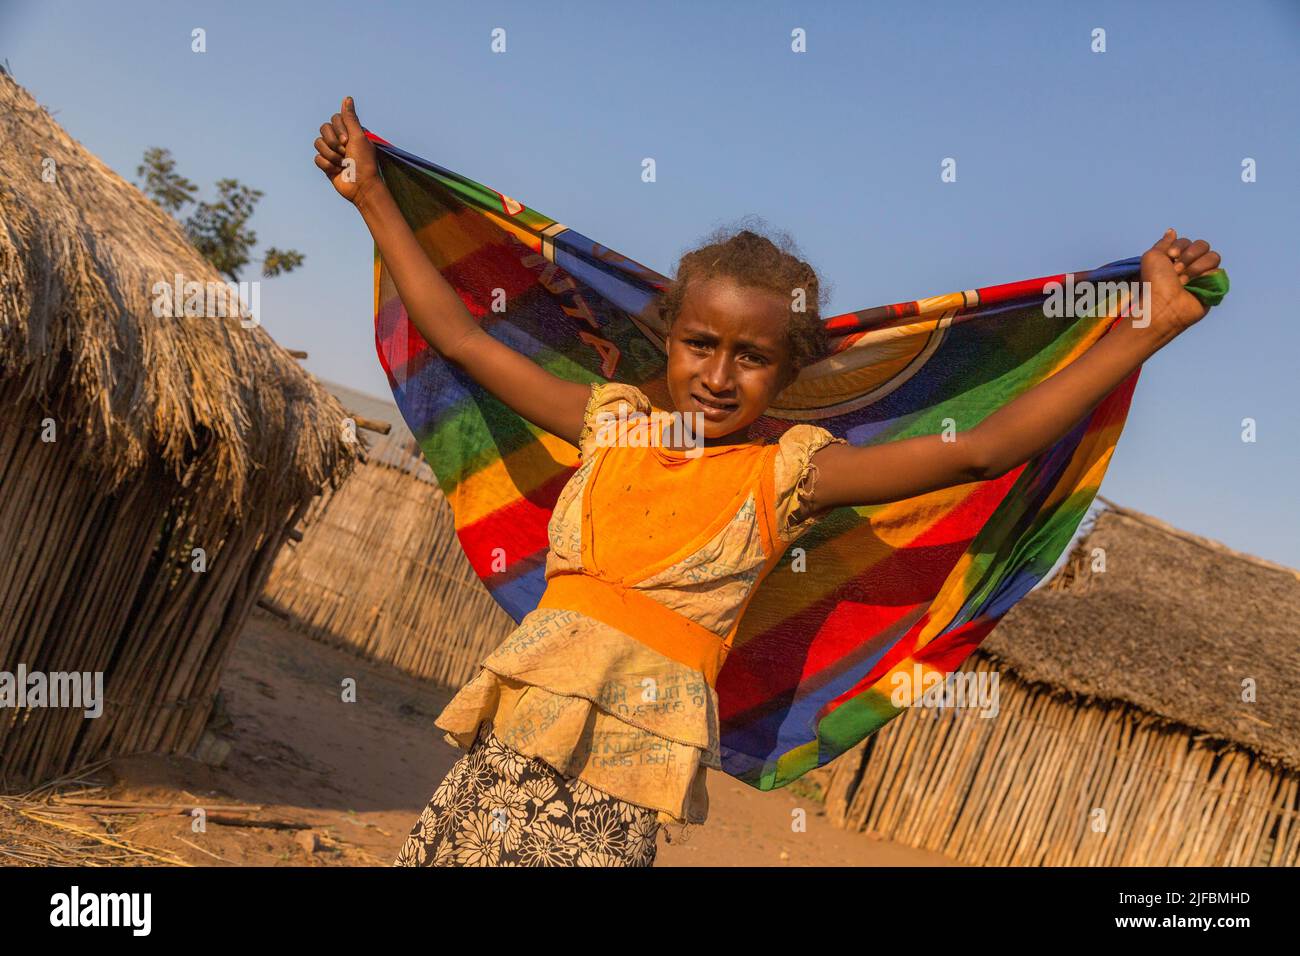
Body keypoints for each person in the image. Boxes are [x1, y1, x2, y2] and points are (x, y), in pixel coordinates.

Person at [313, 96, 1222, 867]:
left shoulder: (787, 477)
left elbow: (975, 454)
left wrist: (1142, 328)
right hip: (500, 757)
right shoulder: (612, 424)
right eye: (701, 344)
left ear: (790, 377)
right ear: (667, 339)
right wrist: (373, 200)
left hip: (607, 794)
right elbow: (464, 337)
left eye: (751, 358)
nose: (717, 373)